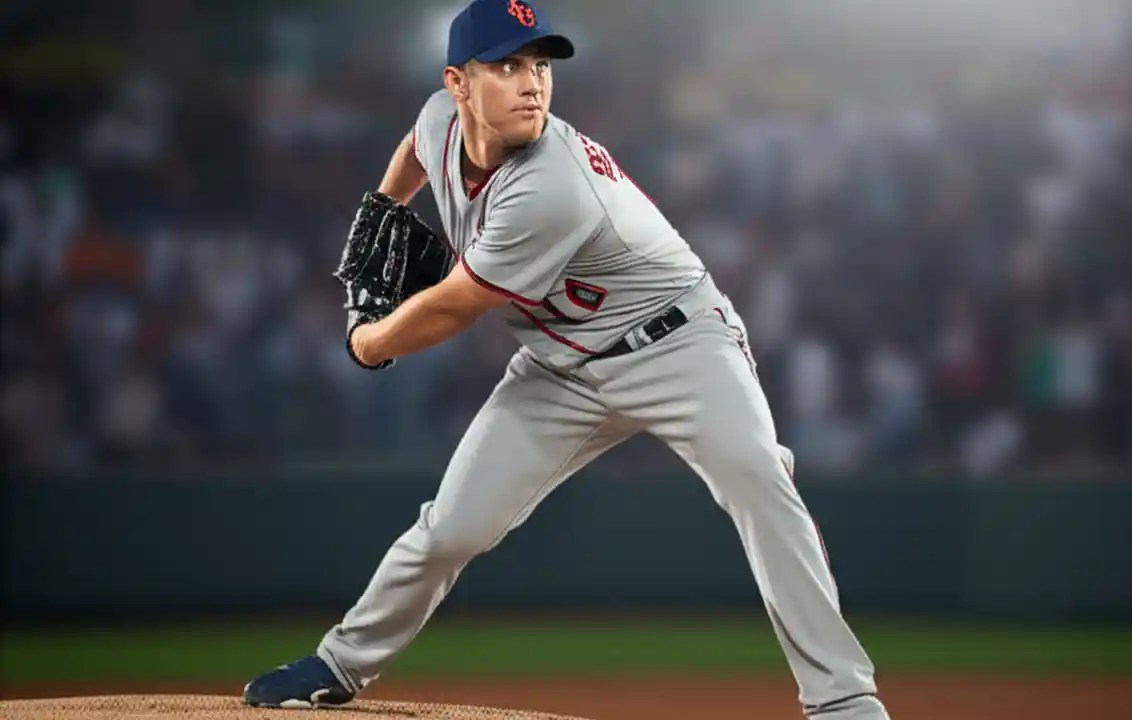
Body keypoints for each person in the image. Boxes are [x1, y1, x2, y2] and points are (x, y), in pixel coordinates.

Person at [243, 1, 889, 718]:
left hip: (679, 344)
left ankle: (844, 702)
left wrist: (367, 341)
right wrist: (383, 205)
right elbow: (416, 150)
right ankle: (339, 663)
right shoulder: (438, 119)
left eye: (542, 65)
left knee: (762, 483)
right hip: (558, 366)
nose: (533, 84)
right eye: (509, 65)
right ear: (458, 84)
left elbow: (455, 305)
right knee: (453, 526)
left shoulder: (551, 182)